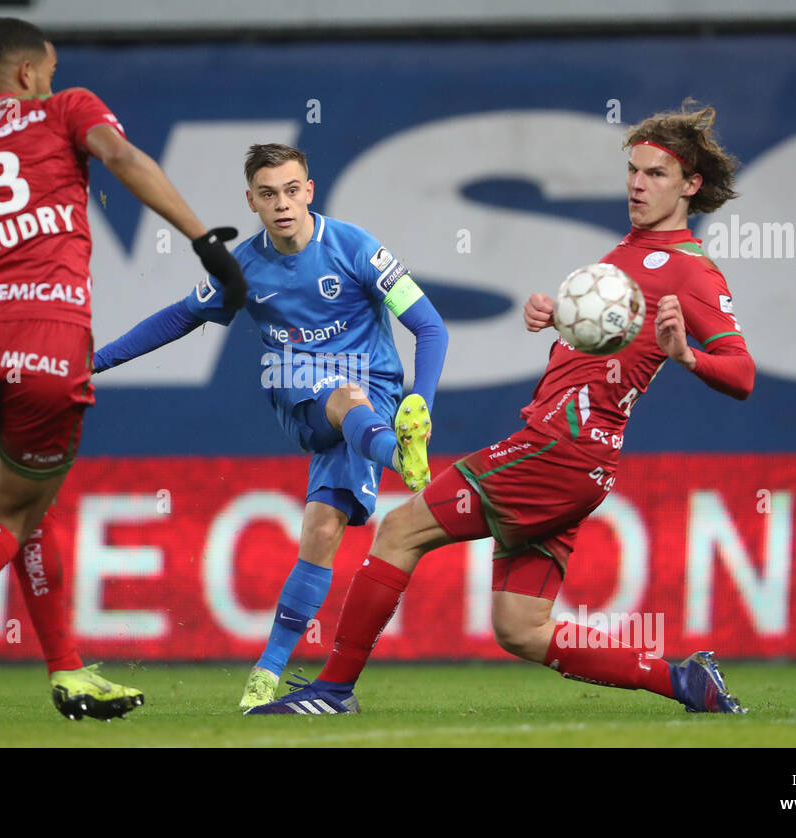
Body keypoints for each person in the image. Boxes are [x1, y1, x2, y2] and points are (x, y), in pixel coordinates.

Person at [247, 102, 755, 715]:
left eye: (655, 175)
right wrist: (558, 319)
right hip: (579, 461)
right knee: (522, 626)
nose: (637, 185)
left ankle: (332, 691)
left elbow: (742, 373)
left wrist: (688, 357)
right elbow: (610, 342)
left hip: (559, 445)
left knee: (400, 528)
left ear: (691, 185)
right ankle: (685, 683)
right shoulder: (626, 252)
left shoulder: (691, 271)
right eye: (634, 171)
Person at [0, 17, 247, 723]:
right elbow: (118, 155)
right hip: (48, 342)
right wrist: (202, 238)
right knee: (11, 512)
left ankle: (66, 670)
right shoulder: (64, 109)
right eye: (49, 71)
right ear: (29, 72)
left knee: (31, 499)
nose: (52, 81)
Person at [91, 143, 448, 710]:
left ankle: (267, 672)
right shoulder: (244, 269)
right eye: (268, 194)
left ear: (309, 191)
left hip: (374, 395)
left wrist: (419, 405)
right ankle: (400, 456)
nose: (281, 203)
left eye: (291, 190)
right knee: (335, 393)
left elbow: (431, 328)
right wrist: (96, 361)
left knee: (323, 529)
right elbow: (181, 316)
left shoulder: (355, 247)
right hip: (294, 383)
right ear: (251, 201)